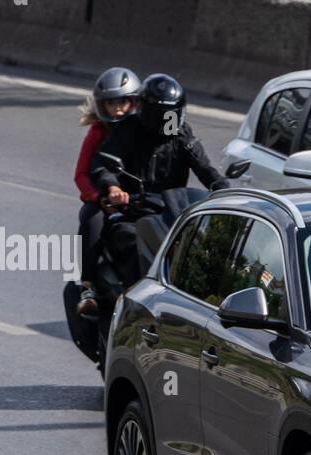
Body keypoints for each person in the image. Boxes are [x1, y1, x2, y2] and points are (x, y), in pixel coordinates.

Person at [91, 73, 223, 206]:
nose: (169, 120)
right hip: (131, 209)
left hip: (171, 212)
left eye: (173, 114)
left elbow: (205, 169)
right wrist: (113, 188)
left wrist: (226, 193)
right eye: (162, 115)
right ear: (144, 110)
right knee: (102, 224)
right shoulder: (127, 129)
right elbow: (103, 164)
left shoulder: (182, 135)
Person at [72, 67, 140, 316]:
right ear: (103, 106)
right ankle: (87, 288)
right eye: (111, 103)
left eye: (122, 101)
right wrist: (98, 198)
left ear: (133, 102)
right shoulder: (97, 133)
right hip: (103, 199)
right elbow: (81, 175)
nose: (117, 109)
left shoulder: (143, 132)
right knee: (91, 221)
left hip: (137, 199)